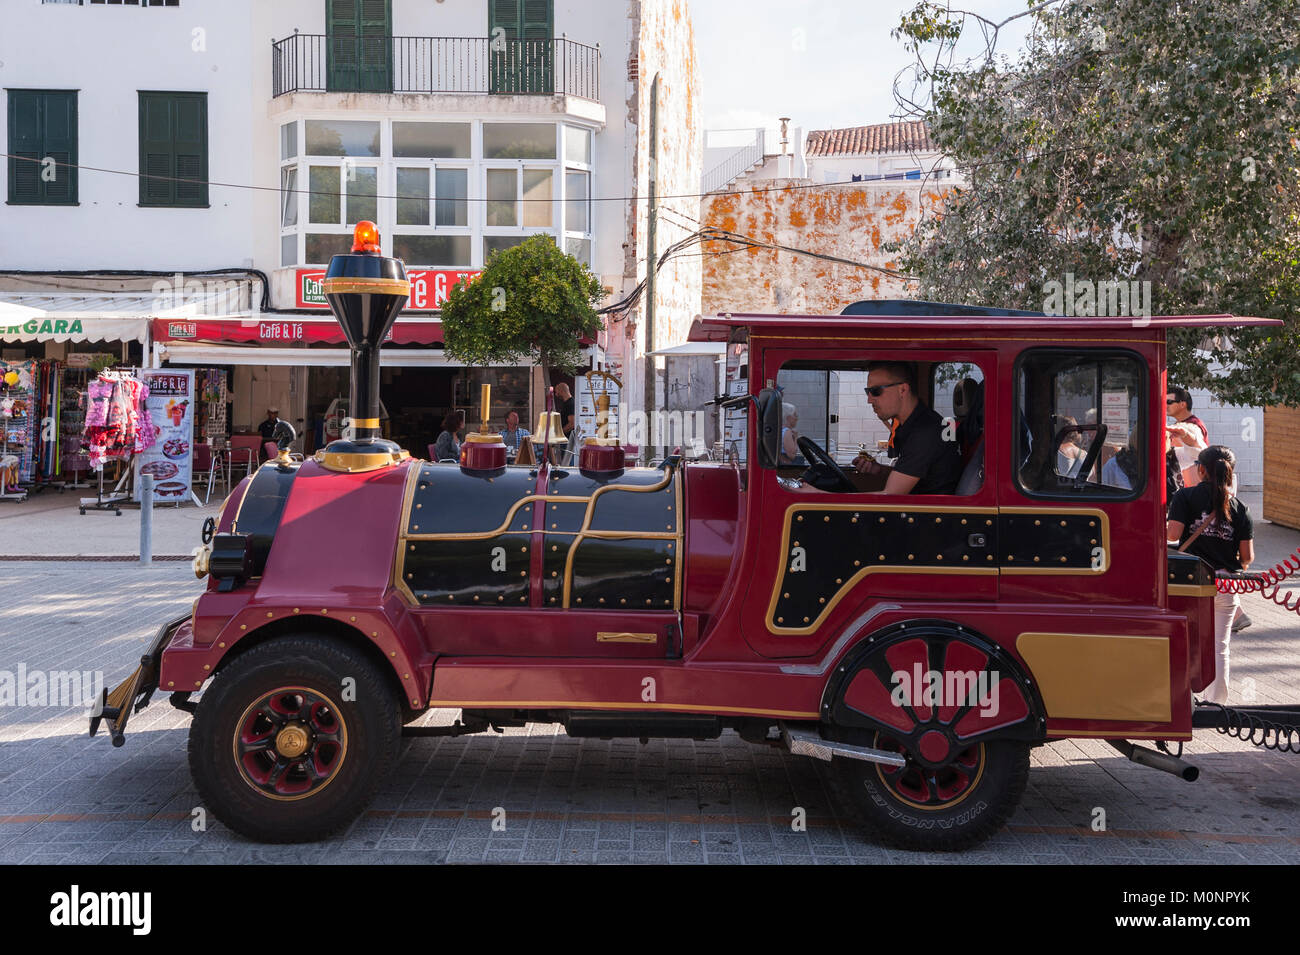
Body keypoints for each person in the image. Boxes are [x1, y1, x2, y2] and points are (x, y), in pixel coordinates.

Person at [1167, 446, 1254, 705]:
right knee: (1220, 646)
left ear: (1201, 469)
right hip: (1225, 585)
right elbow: (1247, 557)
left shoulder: (1185, 496)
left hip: (1191, 584)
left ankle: (1182, 701)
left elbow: (1172, 535)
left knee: (1187, 643)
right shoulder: (1240, 507)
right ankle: (1216, 703)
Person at [851, 361, 962, 495]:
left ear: (902, 390)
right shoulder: (914, 424)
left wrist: (821, 496)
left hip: (926, 513)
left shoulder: (925, 432)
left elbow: (891, 495)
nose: (869, 400)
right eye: (867, 391)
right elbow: (912, 474)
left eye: (875, 391)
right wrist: (879, 470)